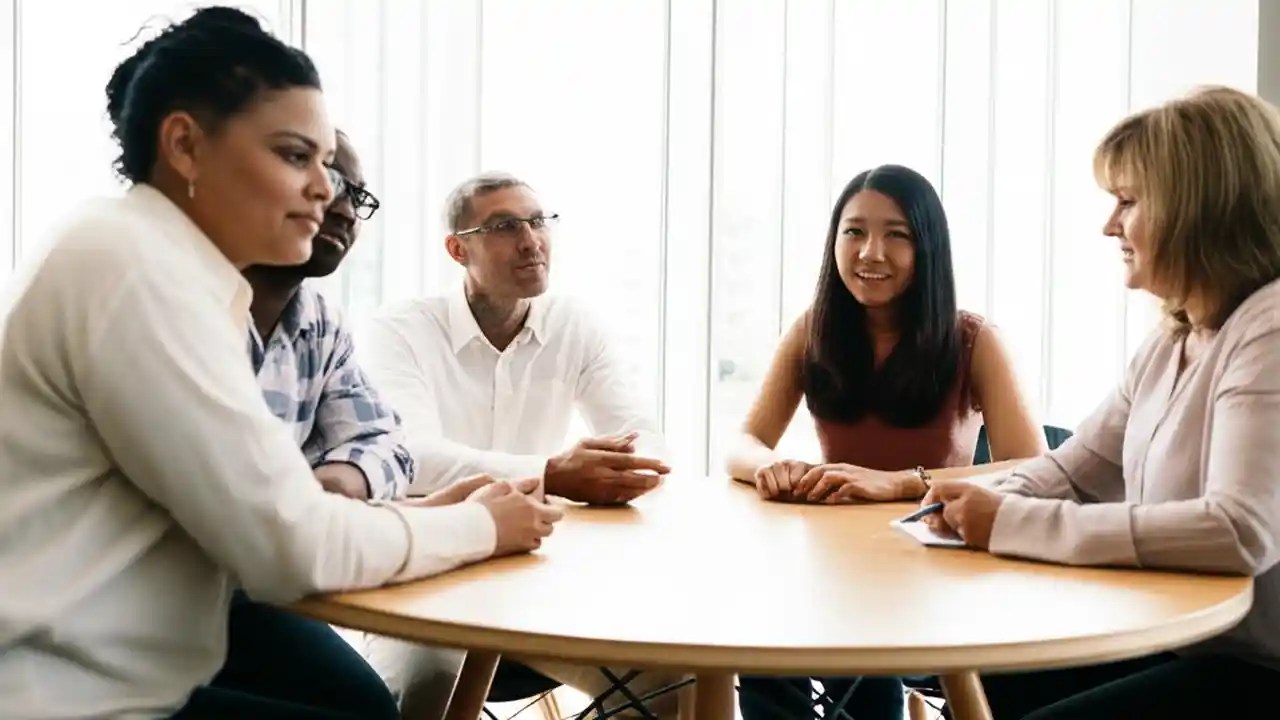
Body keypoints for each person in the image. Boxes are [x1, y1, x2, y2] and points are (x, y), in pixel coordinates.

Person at [0, 8, 560, 720]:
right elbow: (292, 546)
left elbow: (282, 512)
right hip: (63, 690)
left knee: (357, 702)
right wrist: (483, 527)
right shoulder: (128, 267)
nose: (327, 192)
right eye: (298, 157)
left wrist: (426, 513)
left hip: (152, 641)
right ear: (185, 145)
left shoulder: (175, 272)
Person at [918, 86, 1280, 719]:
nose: (1110, 224)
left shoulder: (1270, 328)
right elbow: (1074, 468)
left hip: (1259, 666)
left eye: (1128, 200)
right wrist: (966, 502)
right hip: (1193, 643)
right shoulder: (1176, 335)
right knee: (985, 681)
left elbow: (1240, 531)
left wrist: (1006, 521)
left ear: (1198, 207)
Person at [725, 164, 1047, 720]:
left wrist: (901, 483)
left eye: (896, 234)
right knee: (757, 632)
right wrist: (767, 467)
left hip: (936, 567)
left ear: (928, 247)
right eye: (854, 232)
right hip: (839, 569)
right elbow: (745, 440)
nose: (871, 252)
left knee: (852, 642)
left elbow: (1032, 468)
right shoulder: (813, 330)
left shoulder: (973, 340)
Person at [359, 171, 680, 718]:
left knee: (671, 683)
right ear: (458, 248)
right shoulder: (401, 329)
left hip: (541, 579)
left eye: (538, 221)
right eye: (506, 226)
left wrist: (612, 469)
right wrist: (554, 474)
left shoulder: (575, 324)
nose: (531, 240)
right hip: (426, 580)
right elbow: (409, 460)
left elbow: (643, 438)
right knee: (423, 690)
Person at [244, 128, 411, 502]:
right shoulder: (178, 301)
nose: (347, 212)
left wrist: (331, 490)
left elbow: (385, 443)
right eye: (333, 181)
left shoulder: (321, 323)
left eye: (358, 196)